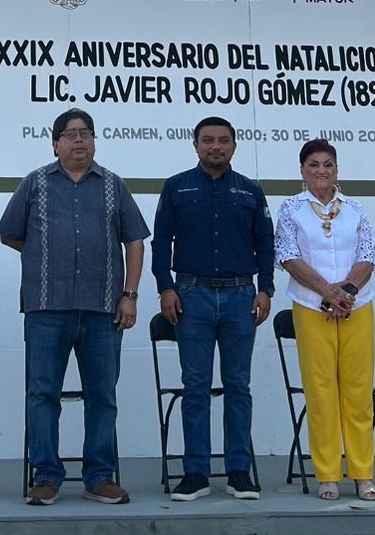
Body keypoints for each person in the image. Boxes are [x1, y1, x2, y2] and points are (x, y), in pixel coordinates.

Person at [0, 107, 148, 506]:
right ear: (56, 143)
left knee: (103, 395)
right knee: (42, 393)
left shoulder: (115, 185)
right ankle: (46, 476)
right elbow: (11, 234)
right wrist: (46, 256)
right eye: (70, 133)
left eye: (85, 133)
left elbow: (135, 240)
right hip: (47, 308)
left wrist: (130, 295)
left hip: (104, 310)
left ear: (94, 140)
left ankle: (99, 475)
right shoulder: (35, 183)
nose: (79, 140)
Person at [152, 116, 275, 502]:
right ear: (196, 145)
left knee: (239, 386)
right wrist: (165, 288)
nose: (216, 147)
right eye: (208, 140)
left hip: (241, 297)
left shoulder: (251, 191)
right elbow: (160, 244)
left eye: (223, 140)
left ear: (234, 147)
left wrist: (266, 288)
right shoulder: (176, 187)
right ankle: (196, 474)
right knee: (196, 387)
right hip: (191, 296)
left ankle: (239, 472)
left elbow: (266, 243)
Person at [275, 138, 375, 502]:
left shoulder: (354, 207)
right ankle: (327, 474)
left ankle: (363, 474)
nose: (321, 171)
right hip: (311, 307)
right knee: (321, 393)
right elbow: (288, 257)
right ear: (302, 171)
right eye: (313, 165)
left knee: (357, 391)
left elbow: (368, 255)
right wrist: (327, 291)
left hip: (356, 305)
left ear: (337, 169)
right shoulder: (291, 208)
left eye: (328, 165)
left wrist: (347, 291)